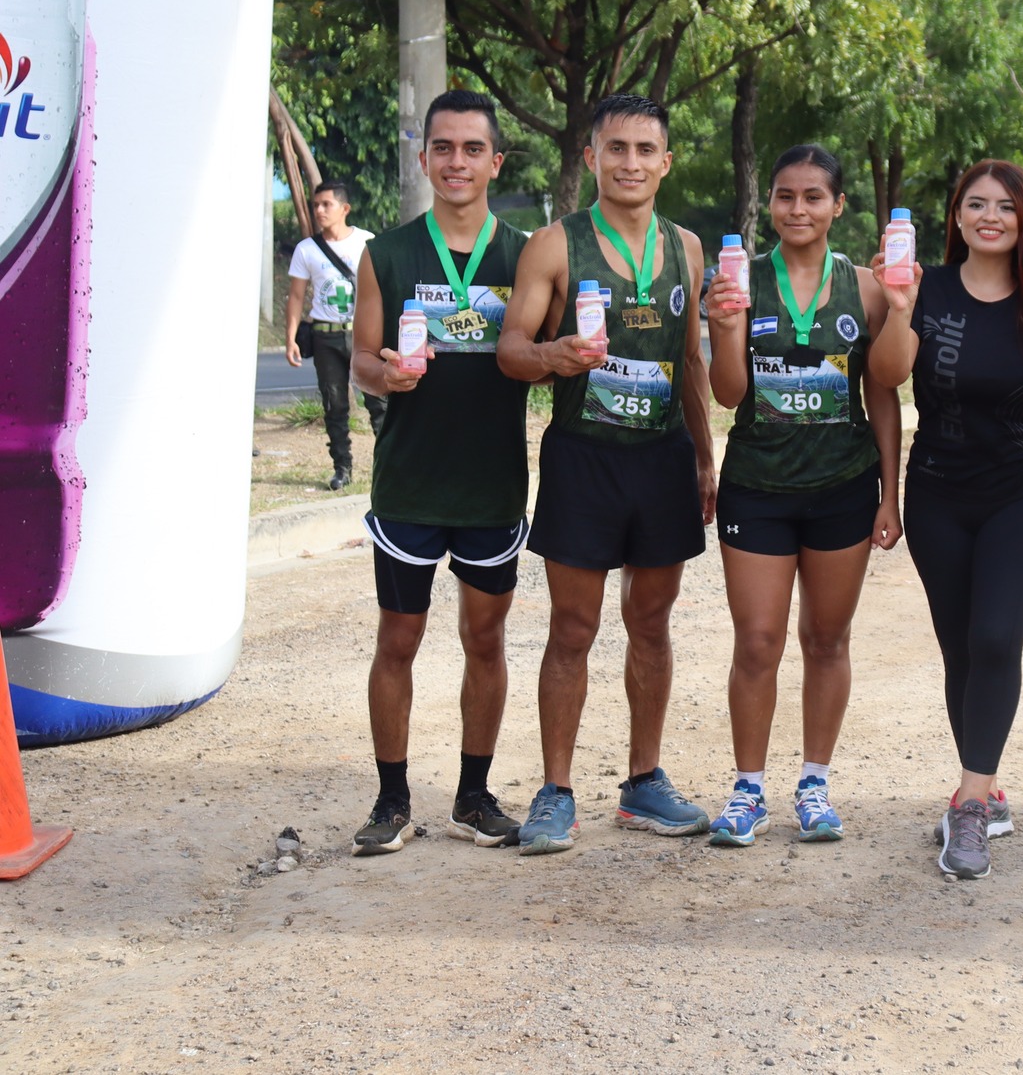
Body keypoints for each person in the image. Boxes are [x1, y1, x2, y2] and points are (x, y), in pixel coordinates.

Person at [496, 93, 718, 855]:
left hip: (660, 460)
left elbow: (690, 359)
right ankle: (555, 791)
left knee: (651, 624)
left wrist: (703, 455)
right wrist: (554, 356)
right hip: (583, 455)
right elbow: (510, 347)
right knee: (573, 627)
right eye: (615, 148)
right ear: (592, 157)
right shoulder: (554, 246)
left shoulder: (687, 248)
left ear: (665, 161)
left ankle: (644, 782)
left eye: (644, 149)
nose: (630, 163)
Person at [868, 160, 1023, 879]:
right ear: (956, 217)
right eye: (975, 204)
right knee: (961, 648)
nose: (989, 216)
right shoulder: (921, 287)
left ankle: (968, 805)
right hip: (938, 492)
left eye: (1005, 206)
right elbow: (888, 375)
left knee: (995, 635)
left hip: (1021, 496)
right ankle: (985, 785)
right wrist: (900, 309)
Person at [702, 145, 903, 848]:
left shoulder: (869, 288)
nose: (797, 209)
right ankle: (748, 789)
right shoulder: (739, 282)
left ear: (837, 205)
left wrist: (890, 494)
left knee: (826, 637)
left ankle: (815, 782)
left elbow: (883, 392)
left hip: (843, 489)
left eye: (813, 196)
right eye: (785, 196)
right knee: (757, 641)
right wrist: (725, 330)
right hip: (756, 486)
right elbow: (728, 394)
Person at [345, 90, 529, 854]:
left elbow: (550, 348)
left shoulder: (525, 253)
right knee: (399, 638)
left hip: (492, 485)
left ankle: (473, 794)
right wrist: (381, 376)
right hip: (410, 484)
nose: (457, 162)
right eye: (443, 148)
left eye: (471, 149)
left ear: (495, 162)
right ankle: (392, 800)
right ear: (424, 158)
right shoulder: (385, 253)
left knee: (485, 641)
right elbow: (360, 356)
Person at [286, 179, 385, 490]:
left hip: (365, 335)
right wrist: (290, 338)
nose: (319, 210)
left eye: (326, 204)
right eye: (316, 205)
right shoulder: (307, 249)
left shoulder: (368, 242)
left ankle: (387, 467)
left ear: (345, 209)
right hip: (325, 336)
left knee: (379, 403)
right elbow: (297, 296)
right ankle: (342, 468)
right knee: (334, 405)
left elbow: (384, 289)